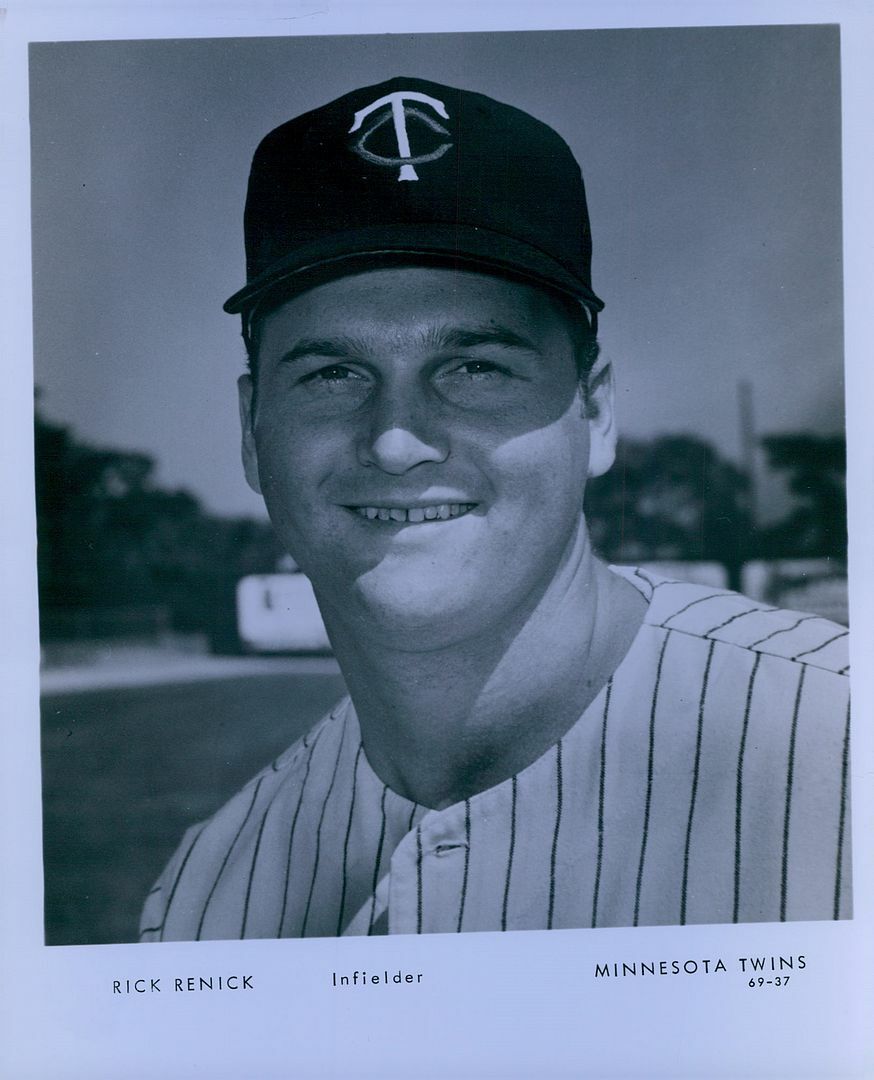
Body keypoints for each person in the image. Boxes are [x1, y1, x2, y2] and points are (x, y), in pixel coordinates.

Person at [140, 77, 850, 941]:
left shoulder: (844, 746)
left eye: (475, 368)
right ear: (253, 434)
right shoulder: (206, 900)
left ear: (595, 414)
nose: (396, 441)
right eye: (333, 375)